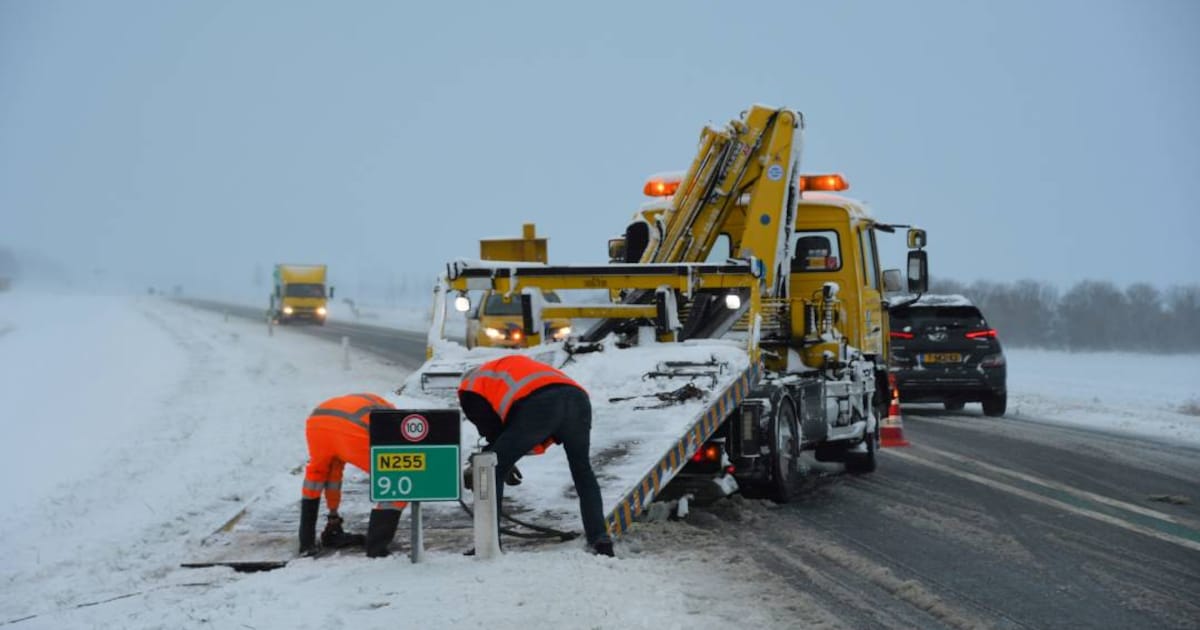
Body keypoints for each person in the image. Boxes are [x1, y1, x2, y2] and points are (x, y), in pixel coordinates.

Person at [457, 354, 614, 556]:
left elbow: (492, 430)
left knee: (490, 470)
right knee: (582, 470)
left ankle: (487, 545)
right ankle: (600, 539)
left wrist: (493, 459)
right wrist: (504, 453)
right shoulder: (503, 369)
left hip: (542, 404)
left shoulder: (470, 387)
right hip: (578, 400)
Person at [300, 392, 407, 558]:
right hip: (350, 428)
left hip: (318, 420)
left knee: (320, 473)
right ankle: (377, 548)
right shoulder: (394, 420)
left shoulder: (376, 404)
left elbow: (334, 477)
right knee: (397, 477)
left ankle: (309, 540)